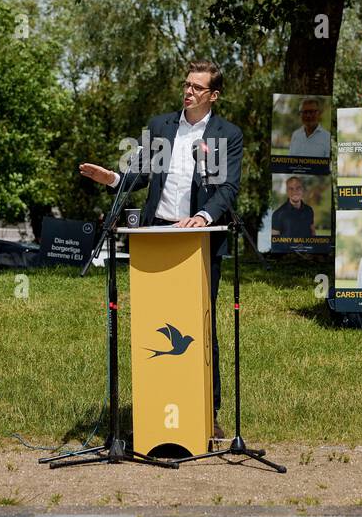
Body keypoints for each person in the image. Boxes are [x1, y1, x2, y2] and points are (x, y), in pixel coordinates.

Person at [79, 59, 243, 435]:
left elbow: (228, 189)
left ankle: (207, 412)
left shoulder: (226, 134)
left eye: (197, 87)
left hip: (199, 238)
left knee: (199, 327)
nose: (188, 91)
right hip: (156, 237)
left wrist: (202, 217)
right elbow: (143, 173)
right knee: (156, 324)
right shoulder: (161, 126)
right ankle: (156, 408)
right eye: (186, 84)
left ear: (213, 95)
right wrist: (115, 178)